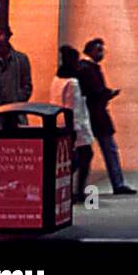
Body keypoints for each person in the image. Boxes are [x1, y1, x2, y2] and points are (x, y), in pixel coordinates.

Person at [78, 38, 137, 195]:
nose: (101, 54)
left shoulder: (86, 68)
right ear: (90, 50)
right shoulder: (87, 69)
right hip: (96, 115)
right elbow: (95, 91)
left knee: (97, 150)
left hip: (92, 114)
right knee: (107, 149)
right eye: (99, 50)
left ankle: (114, 183)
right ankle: (117, 183)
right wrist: (107, 94)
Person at [49, 45, 94, 202]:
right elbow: (72, 107)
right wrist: (74, 130)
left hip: (58, 122)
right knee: (84, 157)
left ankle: (65, 188)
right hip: (75, 126)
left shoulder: (57, 78)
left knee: (68, 159)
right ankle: (78, 191)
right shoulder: (73, 82)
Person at [0, 27, 32, 112]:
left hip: (14, 111)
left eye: (0, 34)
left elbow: (27, 85)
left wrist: (18, 98)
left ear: (8, 36)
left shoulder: (21, 59)